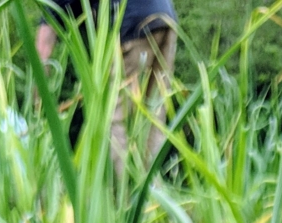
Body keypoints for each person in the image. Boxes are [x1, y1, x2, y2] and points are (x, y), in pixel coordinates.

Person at [35, 0, 177, 172]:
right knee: (153, 115)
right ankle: (151, 191)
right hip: (166, 17)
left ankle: (120, 194)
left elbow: (44, 46)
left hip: (132, 25)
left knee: (112, 119)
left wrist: (37, 102)